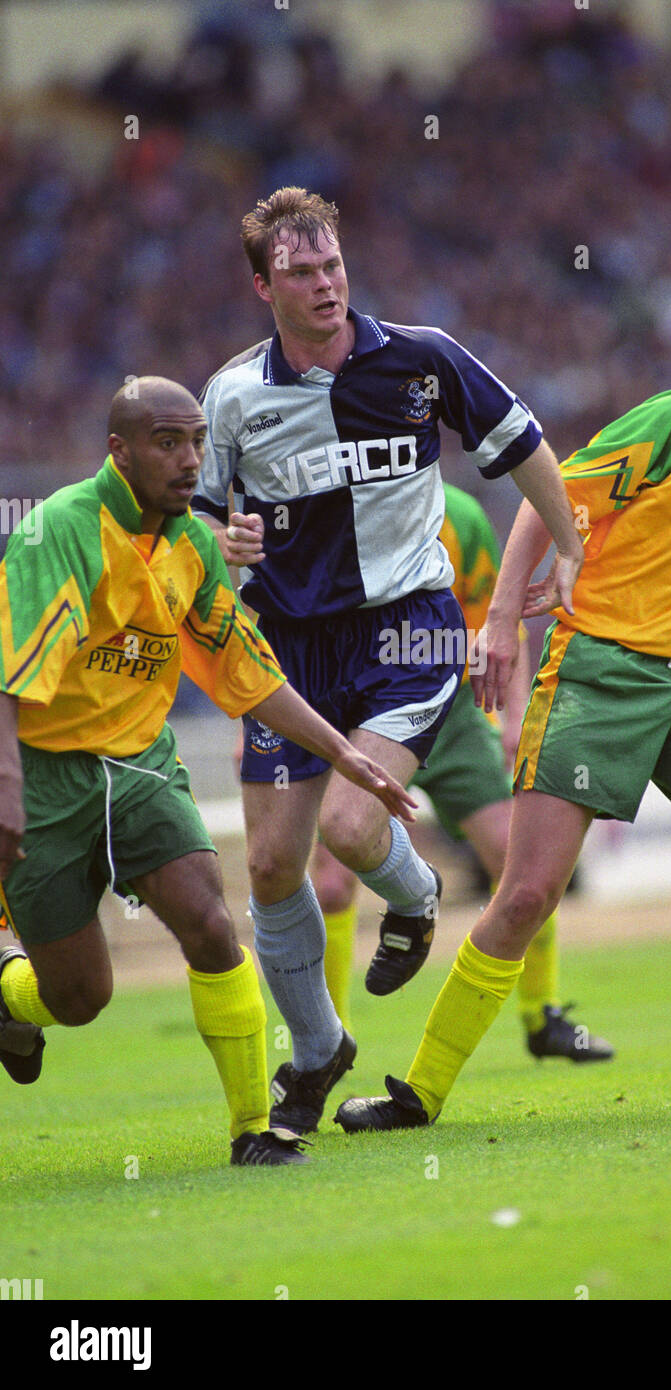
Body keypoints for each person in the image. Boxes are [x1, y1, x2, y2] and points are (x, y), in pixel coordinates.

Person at [335, 292, 671, 1134]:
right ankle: (419, 1095)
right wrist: (506, 618)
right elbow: (551, 490)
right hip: (601, 673)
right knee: (527, 894)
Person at [192, 186, 581, 1137]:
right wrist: (222, 546)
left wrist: (568, 546)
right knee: (276, 868)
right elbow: (195, 517)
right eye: (299, 271)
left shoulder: (423, 359)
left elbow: (526, 447)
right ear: (261, 285)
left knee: (357, 830)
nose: (323, 284)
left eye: (332, 265)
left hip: (410, 630)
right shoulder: (233, 394)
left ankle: (417, 895)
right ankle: (319, 1052)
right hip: (287, 646)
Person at [0, 377, 416, 1168]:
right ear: (118, 451)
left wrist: (346, 754)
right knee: (80, 999)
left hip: (143, 766)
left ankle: (252, 1130)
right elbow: (8, 674)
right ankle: (10, 990)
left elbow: (248, 671)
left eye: (196, 441)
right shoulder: (60, 528)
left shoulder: (193, 547)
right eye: (167, 442)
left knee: (212, 923)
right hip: (44, 768)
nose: (190, 459)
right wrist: (8, 787)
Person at [314, 482, 614, 1075]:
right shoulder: (328, 514)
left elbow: (502, 623)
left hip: (448, 706)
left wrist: (512, 714)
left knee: (516, 855)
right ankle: (329, 1042)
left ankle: (543, 1015)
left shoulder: (463, 519)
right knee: (330, 885)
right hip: (351, 711)